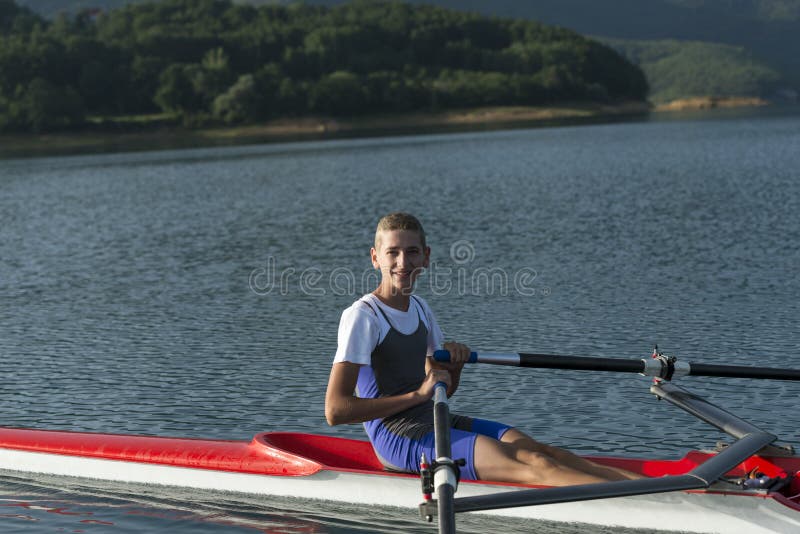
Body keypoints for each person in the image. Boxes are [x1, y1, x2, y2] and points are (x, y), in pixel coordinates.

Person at [325, 212, 640, 486]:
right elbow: (335, 411)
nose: (403, 262)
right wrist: (418, 396)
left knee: (542, 452)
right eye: (392, 252)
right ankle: (639, 503)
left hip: (435, 418)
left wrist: (454, 370)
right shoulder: (362, 317)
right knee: (538, 468)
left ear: (426, 257)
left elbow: (441, 390)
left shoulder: (420, 309)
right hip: (399, 438)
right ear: (375, 258)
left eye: (412, 251)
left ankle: (667, 488)